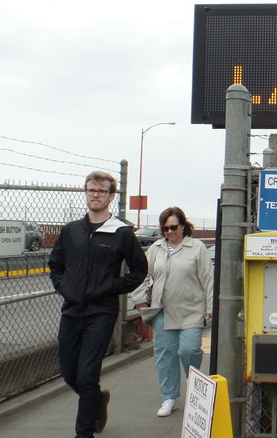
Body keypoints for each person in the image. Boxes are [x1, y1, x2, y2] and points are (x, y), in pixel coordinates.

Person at [48, 171, 148, 438]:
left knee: (87, 375)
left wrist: (112, 288)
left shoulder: (121, 232)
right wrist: (64, 287)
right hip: (71, 311)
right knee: (69, 372)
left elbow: (139, 270)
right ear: (86, 192)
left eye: (101, 191)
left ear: (111, 196)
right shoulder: (71, 230)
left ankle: (84, 433)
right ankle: (97, 400)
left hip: (101, 313)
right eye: (91, 190)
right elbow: (56, 265)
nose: (95, 195)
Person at [132, 207, 213, 417]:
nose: (169, 231)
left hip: (191, 310)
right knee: (165, 355)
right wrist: (140, 300)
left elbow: (208, 280)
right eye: (165, 228)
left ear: (183, 227)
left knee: (189, 350)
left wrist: (210, 309)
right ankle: (169, 397)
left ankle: (194, 387)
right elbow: (144, 275)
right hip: (162, 310)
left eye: (173, 227)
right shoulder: (156, 249)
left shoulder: (196, 248)